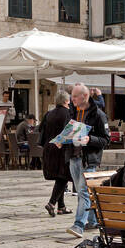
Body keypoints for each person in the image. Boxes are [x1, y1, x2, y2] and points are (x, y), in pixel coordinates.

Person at [64, 83, 109, 239]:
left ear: (84, 96)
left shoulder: (98, 115)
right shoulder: (72, 112)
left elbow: (105, 140)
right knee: (82, 192)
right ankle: (93, 220)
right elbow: (68, 130)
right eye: (72, 96)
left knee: (83, 191)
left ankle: (79, 225)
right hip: (73, 157)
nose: (72, 99)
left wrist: (90, 139)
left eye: (75, 96)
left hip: (88, 160)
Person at [41, 91, 72, 215]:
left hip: (49, 148)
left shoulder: (49, 114)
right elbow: (70, 132)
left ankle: (62, 207)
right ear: (66, 101)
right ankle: (52, 203)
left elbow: (41, 132)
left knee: (60, 177)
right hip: (62, 148)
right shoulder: (68, 114)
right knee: (63, 177)